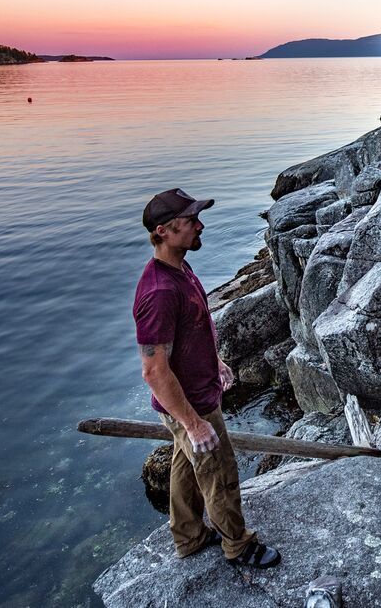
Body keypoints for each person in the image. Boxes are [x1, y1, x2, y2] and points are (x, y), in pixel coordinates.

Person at [134, 188, 282, 566]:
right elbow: (153, 370)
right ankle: (238, 545)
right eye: (191, 221)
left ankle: (188, 536)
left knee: (186, 466)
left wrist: (215, 361)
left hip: (200, 392)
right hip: (191, 404)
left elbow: (196, 328)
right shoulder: (159, 292)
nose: (200, 226)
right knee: (220, 474)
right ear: (165, 230)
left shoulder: (180, 266)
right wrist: (193, 422)